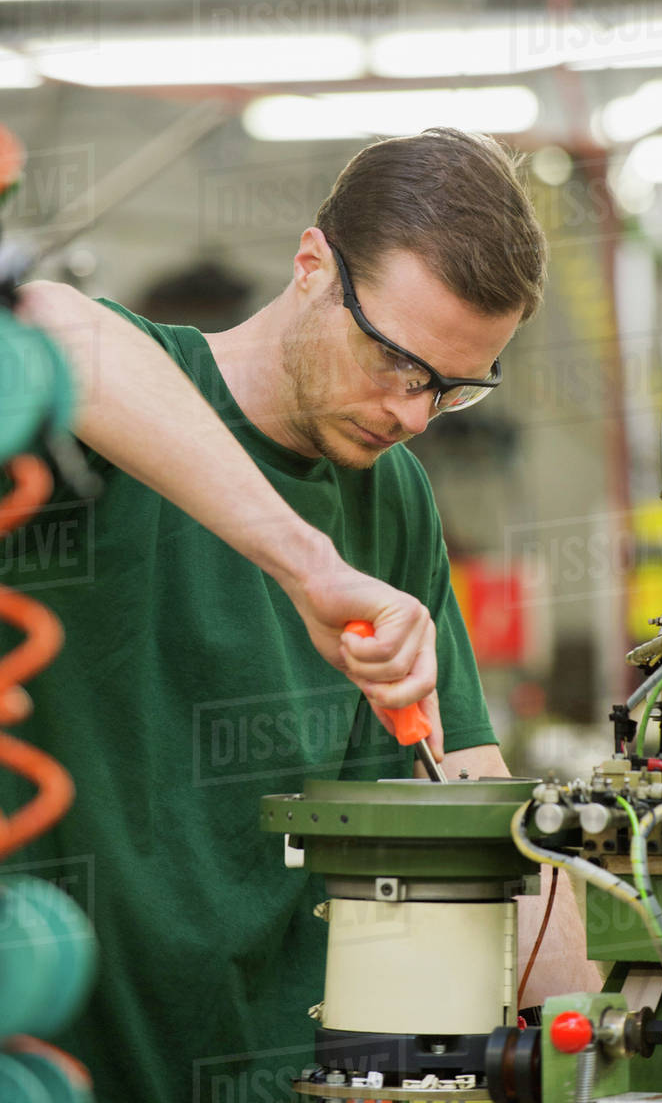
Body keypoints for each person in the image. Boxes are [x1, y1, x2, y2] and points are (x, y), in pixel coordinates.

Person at [5, 128, 601, 1102]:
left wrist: (621, 1032)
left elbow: (466, 797)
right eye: (399, 362)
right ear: (313, 267)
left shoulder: (395, 493)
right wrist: (304, 563)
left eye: (453, 390)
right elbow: (46, 316)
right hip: (83, 1064)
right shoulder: (121, 415)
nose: (415, 413)